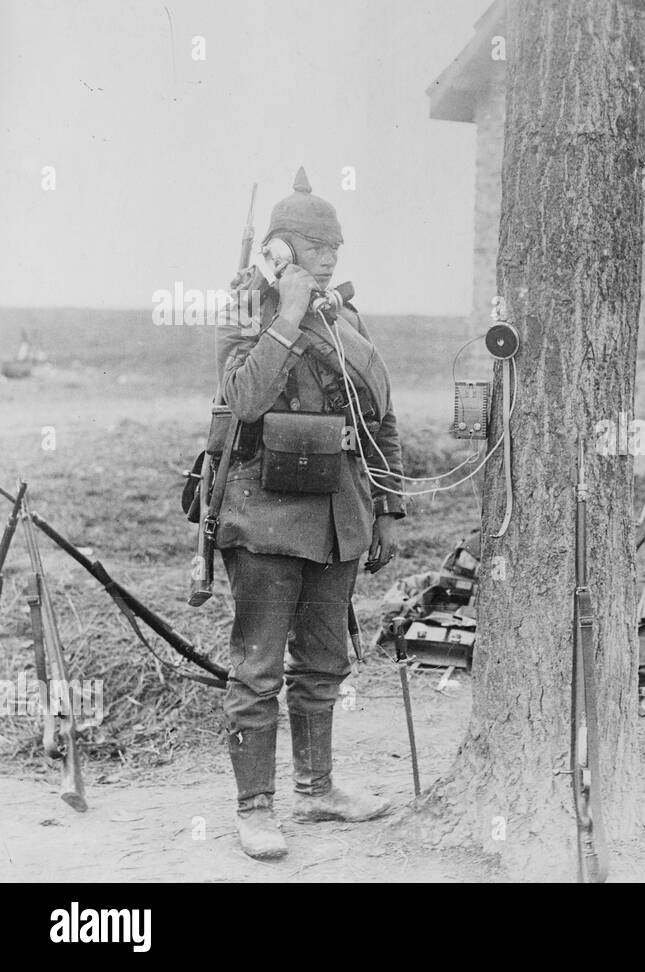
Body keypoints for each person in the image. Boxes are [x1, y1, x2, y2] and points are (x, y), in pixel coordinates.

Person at [213, 167, 406, 860]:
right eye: (315, 247)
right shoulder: (251, 308)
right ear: (281, 250)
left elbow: (380, 416)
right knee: (257, 668)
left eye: (334, 247)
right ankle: (254, 808)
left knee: (323, 663)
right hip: (265, 517)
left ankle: (318, 787)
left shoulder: (345, 317)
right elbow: (243, 401)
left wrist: (388, 507)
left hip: (338, 517)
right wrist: (287, 315)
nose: (329, 259)